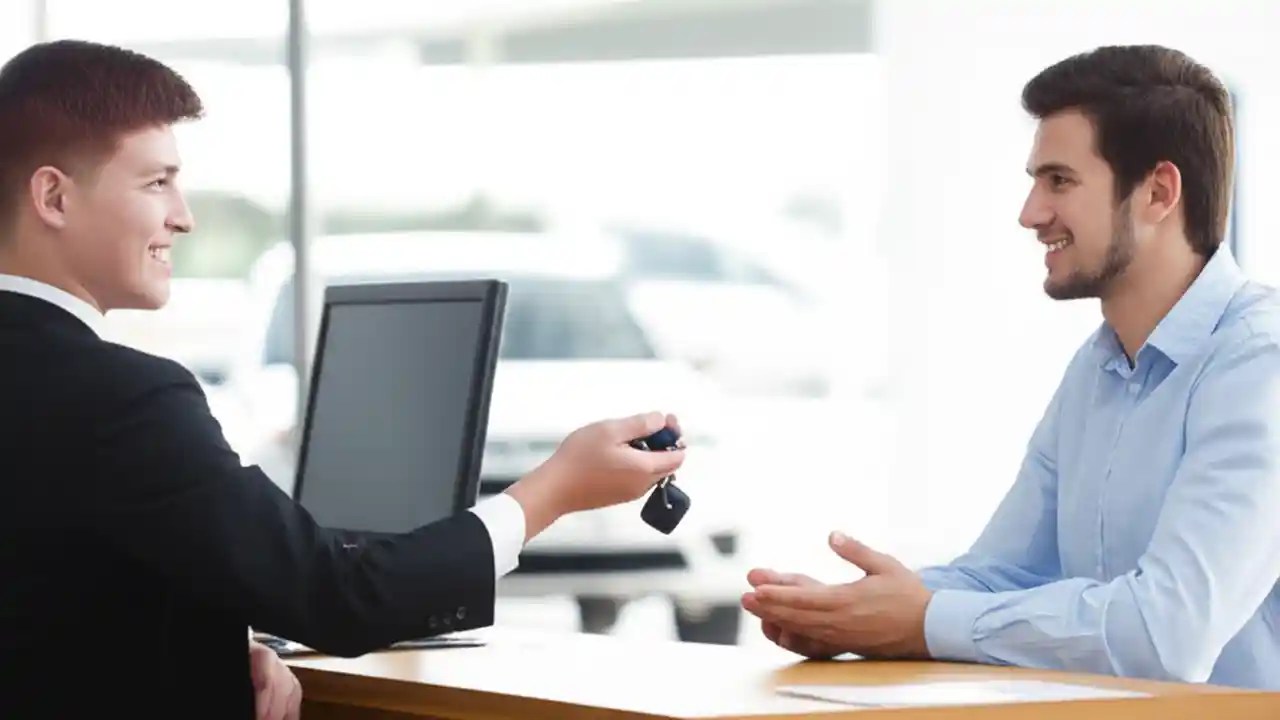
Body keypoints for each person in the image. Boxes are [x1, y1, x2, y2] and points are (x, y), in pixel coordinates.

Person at [0, 39, 686, 718]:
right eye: (157, 182)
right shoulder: (123, 398)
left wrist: (204, 648)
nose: (184, 215)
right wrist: (553, 492)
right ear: (54, 196)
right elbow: (338, 598)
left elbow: (50, 597)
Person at [743, 44, 1280, 690]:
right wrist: (854, 613)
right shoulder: (1097, 369)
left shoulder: (1259, 362)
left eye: (1060, 181)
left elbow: (1166, 636)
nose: (1031, 213)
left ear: (1159, 192)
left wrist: (923, 621)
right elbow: (1003, 573)